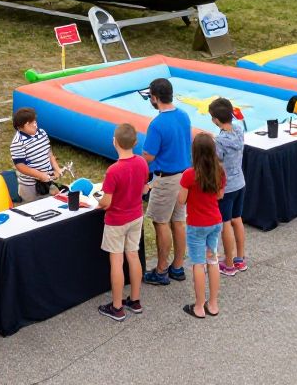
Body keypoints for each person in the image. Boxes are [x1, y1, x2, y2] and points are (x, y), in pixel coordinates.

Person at [141, 77, 192, 286]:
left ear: (154, 98)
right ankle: (177, 267)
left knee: (160, 222)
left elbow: (149, 155)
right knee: (178, 221)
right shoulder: (184, 115)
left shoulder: (157, 124)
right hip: (183, 176)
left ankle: (161, 270)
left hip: (166, 179)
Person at [96, 122, 149, 321]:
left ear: (114, 142)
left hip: (117, 221)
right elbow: (144, 189)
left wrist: (98, 203)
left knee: (117, 262)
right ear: (135, 142)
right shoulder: (142, 163)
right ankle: (135, 300)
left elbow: (107, 202)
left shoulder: (113, 170)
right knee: (133, 255)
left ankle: (117, 307)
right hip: (136, 216)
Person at [178, 133, 225, 319]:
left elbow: (181, 200)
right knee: (213, 260)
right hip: (215, 221)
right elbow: (220, 195)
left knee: (198, 264)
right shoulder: (219, 171)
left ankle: (198, 306)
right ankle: (213, 304)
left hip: (197, 225)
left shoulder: (189, 175)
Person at [207, 97, 246, 276]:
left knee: (226, 223)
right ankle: (240, 258)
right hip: (240, 182)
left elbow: (217, 162)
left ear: (215, 120)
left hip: (227, 187)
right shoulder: (238, 129)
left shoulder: (219, 141)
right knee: (237, 219)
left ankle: (228, 263)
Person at [9, 107, 61, 203]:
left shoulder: (42, 133)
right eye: (31, 123)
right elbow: (20, 166)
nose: (35, 124)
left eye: (34, 121)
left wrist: (57, 169)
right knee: (31, 207)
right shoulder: (17, 143)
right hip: (29, 186)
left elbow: (49, 152)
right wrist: (40, 175)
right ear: (21, 126)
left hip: (47, 180)